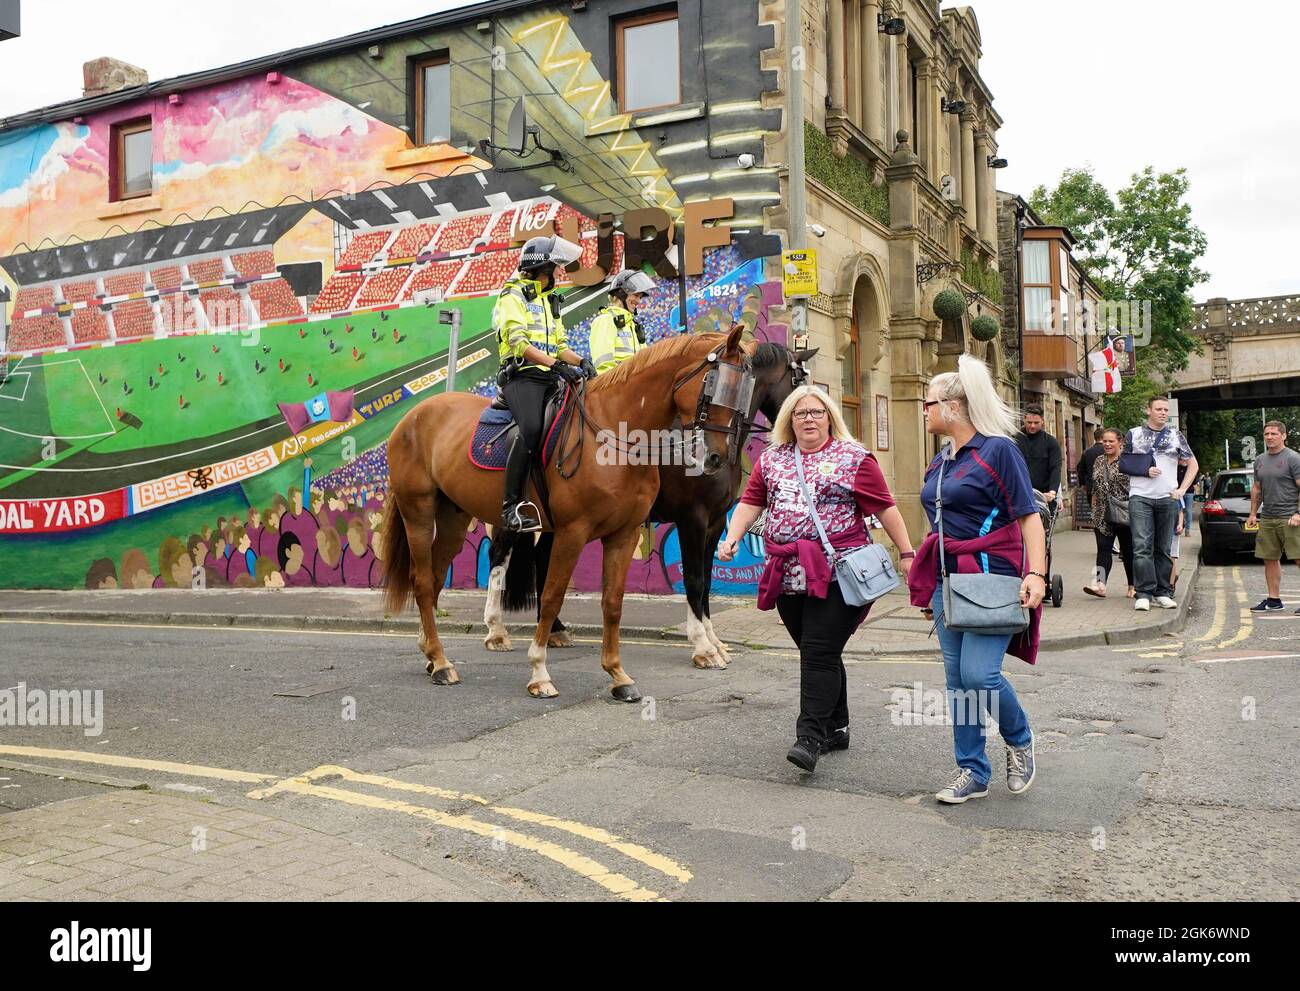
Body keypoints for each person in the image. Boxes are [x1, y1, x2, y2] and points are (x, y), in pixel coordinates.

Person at [717, 385, 914, 773]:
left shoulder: (854, 458)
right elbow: (752, 501)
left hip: (840, 572)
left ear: (829, 418)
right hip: (788, 574)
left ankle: (810, 737)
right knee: (818, 650)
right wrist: (733, 536)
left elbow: (885, 508)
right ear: (789, 420)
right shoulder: (772, 459)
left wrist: (907, 553)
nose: (809, 418)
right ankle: (837, 727)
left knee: (818, 651)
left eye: (817, 412)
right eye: (801, 413)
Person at [907, 355, 1047, 805]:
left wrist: (1037, 573)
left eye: (928, 403)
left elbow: (1029, 516)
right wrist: (931, 585)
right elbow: (938, 528)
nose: (923, 410)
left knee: (979, 675)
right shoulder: (939, 463)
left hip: (993, 579)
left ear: (954, 405)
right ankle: (972, 770)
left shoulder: (998, 450)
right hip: (948, 584)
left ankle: (1020, 739)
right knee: (957, 682)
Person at [493, 235, 595, 532]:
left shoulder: (549, 301)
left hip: (550, 376)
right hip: (522, 377)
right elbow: (519, 343)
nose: (559, 275)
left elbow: (559, 344)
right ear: (543, 268)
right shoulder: (512, 295)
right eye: (555, 269)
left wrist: (580, 361)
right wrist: (558, 365)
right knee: (532, 429)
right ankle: (509, 507)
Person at [1121, 397, 1198, 612]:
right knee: (1142, 546)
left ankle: (1162, 592)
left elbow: (1193, 464)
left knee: (1164, 547)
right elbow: (1123, 463)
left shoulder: (1175, 435)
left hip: (1167, 498)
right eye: (1158, 409)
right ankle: (1143, 593)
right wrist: (1144, 471)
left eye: (1165, 409)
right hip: (1140, 497)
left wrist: (1182, 489)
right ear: (1149, 410)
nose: (1163, 413)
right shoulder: (1134, 433)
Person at [1246, 420, 1300, 612]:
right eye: (1267, 434)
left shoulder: (1293, 458)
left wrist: (1298, 513)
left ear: (1284, 436)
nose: (1269, 437)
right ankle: (1273, 600)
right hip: (1268, 516)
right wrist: (1253, 513)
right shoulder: (1260, 459)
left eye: (1274, 434)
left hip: (1290, 517)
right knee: (1269, 558)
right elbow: (1257, 488)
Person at [1084, 428, 1135, 598]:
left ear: (1120, 442)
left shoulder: (1128, 460)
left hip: (1124, 511)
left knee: (1128, 551)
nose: (1106, 444)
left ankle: (1132, 585)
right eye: (1104, 441)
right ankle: (1100, 585)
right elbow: (1095, 487)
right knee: (1103, 548)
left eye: (1111, 441)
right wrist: (1093, 508)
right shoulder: (1098, 460)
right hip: (1101, 513)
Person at [587, 270, 656, 374]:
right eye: (636, 295)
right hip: (616, 386)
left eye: (640, 297)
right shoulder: (605, 320)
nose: (638, 301)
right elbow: (603, 366)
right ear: (621, 294)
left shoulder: (633, 325)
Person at [1015, 403, 1062, 506]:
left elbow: (1055, 468)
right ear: (1024, 420)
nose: (1032, 426)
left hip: (1044, 496)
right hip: (1019, 494)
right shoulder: (1014, 440)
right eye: (1029, 422)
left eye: (1036, 422)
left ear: (1042, 421)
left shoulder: (1051, 442)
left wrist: (1053, 492)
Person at [1076, 427, 1105, 514]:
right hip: (1107, 485)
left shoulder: (1087, 452)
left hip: (1091, 486)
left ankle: (1097, 526)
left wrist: (1083, 484)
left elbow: (1080, 470)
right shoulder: (1108, 450)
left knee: (1095, 511)